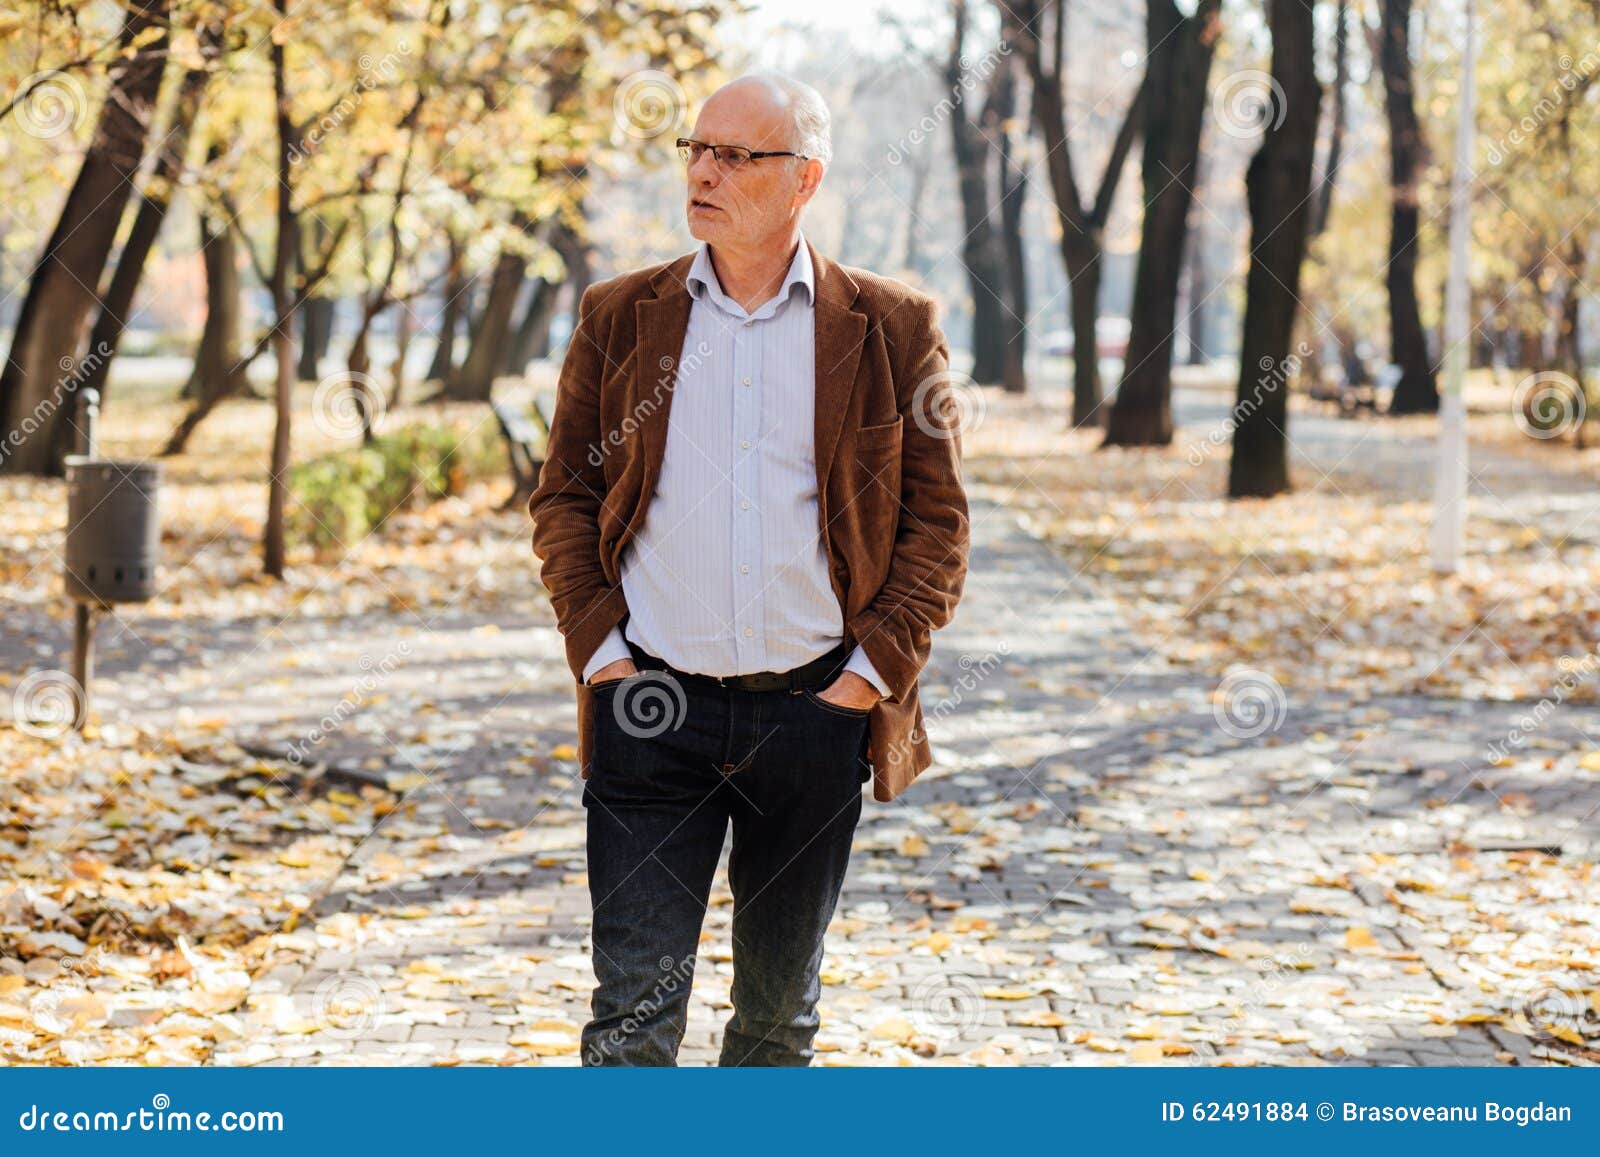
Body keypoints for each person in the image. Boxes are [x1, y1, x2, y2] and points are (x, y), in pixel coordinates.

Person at [528, 71, 970, 1066]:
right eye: (697, 148)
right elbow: (563, 497)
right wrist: (602, 656)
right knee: (631, 1019)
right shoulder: (619, 315)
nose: (704, 170)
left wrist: (861, 686)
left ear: (803, 178)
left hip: (812, 716)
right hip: (649, 711)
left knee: (777, 1023)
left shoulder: (890, 326)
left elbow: (936, 525)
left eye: (736, 154)